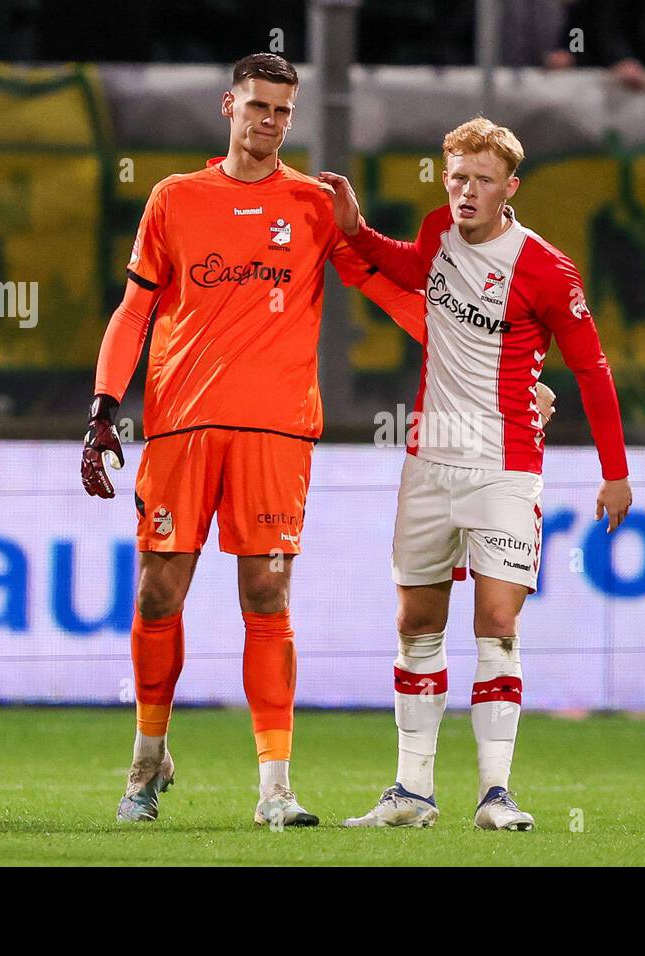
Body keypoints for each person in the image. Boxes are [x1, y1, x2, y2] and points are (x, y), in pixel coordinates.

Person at [81, 52, 430, 827]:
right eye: (257, 106)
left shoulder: (312, 204)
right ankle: (147, 758)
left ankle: (275, 787)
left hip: (276, 433)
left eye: (283, 110)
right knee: (156, 593)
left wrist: (481, 364)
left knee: (266, 594)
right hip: (180, 427)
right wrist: (105, 406)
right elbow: (135, 310)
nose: (269, 121)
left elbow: (380, 287)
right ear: (228, 107)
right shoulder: (175, 198)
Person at [319, 117, 632, 830]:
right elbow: (403, 268)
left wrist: (615, 472)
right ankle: (410, 793)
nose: (465, 190)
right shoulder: (436, 234)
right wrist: (357, 231)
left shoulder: (547, 269)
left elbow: (592, 367)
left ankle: (496, 794)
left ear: (509, 187)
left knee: (497, 622)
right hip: (429, 462)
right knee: (416, 624)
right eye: (456, 175)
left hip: (505, 467)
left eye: (482, 179)